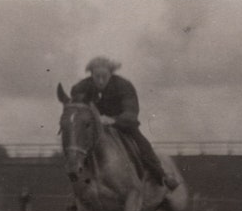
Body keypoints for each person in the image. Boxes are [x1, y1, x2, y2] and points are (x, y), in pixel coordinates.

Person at [70, 56, 178, 190]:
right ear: (91, 75)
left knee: (141, 142)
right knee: (78, 145)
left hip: (122, 125)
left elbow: (131, 112)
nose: (100, 80)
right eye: (96, 76)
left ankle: (162, 175)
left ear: (111, 73)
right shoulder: (84, 86)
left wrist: (113, 120)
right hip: (95, 127)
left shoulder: (124, 85)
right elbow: (76, 97)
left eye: (104, 76)